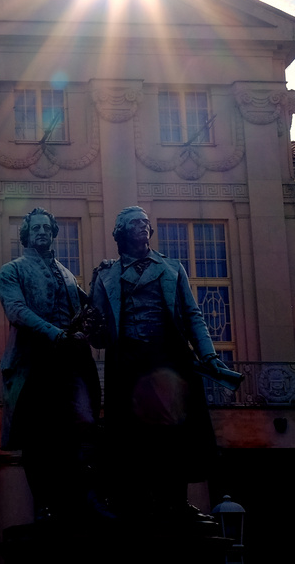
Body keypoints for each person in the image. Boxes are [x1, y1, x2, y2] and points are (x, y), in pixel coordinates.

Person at [86, 206, 243, 520]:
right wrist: (92, 299)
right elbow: (98, 337)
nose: (142, 227)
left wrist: (209, 355)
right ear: (120, 233)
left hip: (168, 360)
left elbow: (193, 315)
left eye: (145, 223)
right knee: (132, 436)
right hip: (128, 365)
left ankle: (177, 501)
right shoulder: (106, 275)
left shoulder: (173, 268)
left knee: (174, 433)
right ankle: (136, 501)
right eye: (134, 223)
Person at [0, 208, 106, 520]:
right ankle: (47, 503)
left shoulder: (68, 274)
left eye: (47, 228)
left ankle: (86, 499)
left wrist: (104, 276)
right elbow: (16, 310)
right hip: (35, 364)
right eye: (36, 228)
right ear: (26, 235)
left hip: (72, 364)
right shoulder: (12, 270)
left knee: (83, 429)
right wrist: (55, 334)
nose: (42, 232)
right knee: (39, 435)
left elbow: (92, 309)